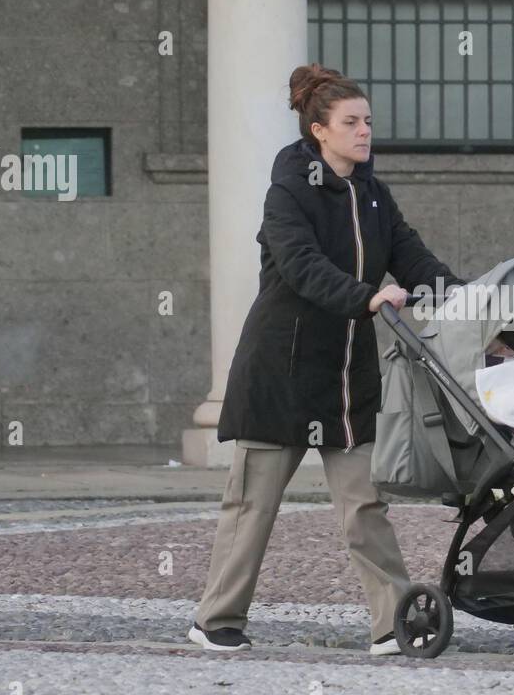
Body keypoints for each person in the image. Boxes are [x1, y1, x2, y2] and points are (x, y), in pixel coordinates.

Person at [188, 63, 466, 655]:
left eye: (368, 121)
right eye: (352, 122)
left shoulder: (373, 196)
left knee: (366, 502)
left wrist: (475, 310)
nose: (365, 132)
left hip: (349, 379)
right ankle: (216, 618)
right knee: (253, 504)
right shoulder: (287, 192)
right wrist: (367, 296)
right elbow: (302, 268)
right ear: (319, 129)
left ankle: (392, 623)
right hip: (282, 372)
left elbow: (416, 262)